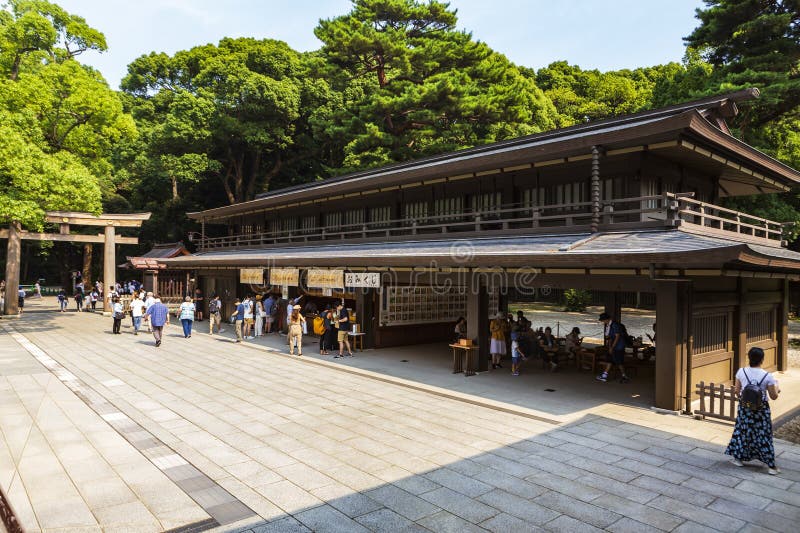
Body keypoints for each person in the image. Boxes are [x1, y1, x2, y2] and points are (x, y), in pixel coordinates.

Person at [725, 347, 781, 475]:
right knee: (763, 434)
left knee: (743, 431)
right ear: (762, 359)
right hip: (761, 410)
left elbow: (737, 392)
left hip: (745, 407)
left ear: (749, 358)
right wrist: (777, 388)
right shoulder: (768, 376)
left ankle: (738, 459)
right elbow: (774, 396)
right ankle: (771, 467)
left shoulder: (741, 372)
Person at [596, 312, 630, 383]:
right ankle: (604, 376)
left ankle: (624, 376)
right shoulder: (609, 325)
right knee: (610, 360)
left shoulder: (614, 325)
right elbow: (611, 337)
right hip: (614, 346)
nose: (602, 322)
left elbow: (617, 337)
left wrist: (612, 347)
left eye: (603, 320)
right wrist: (609, 346)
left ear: (606, 319)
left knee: (619, 362)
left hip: (618, 346)